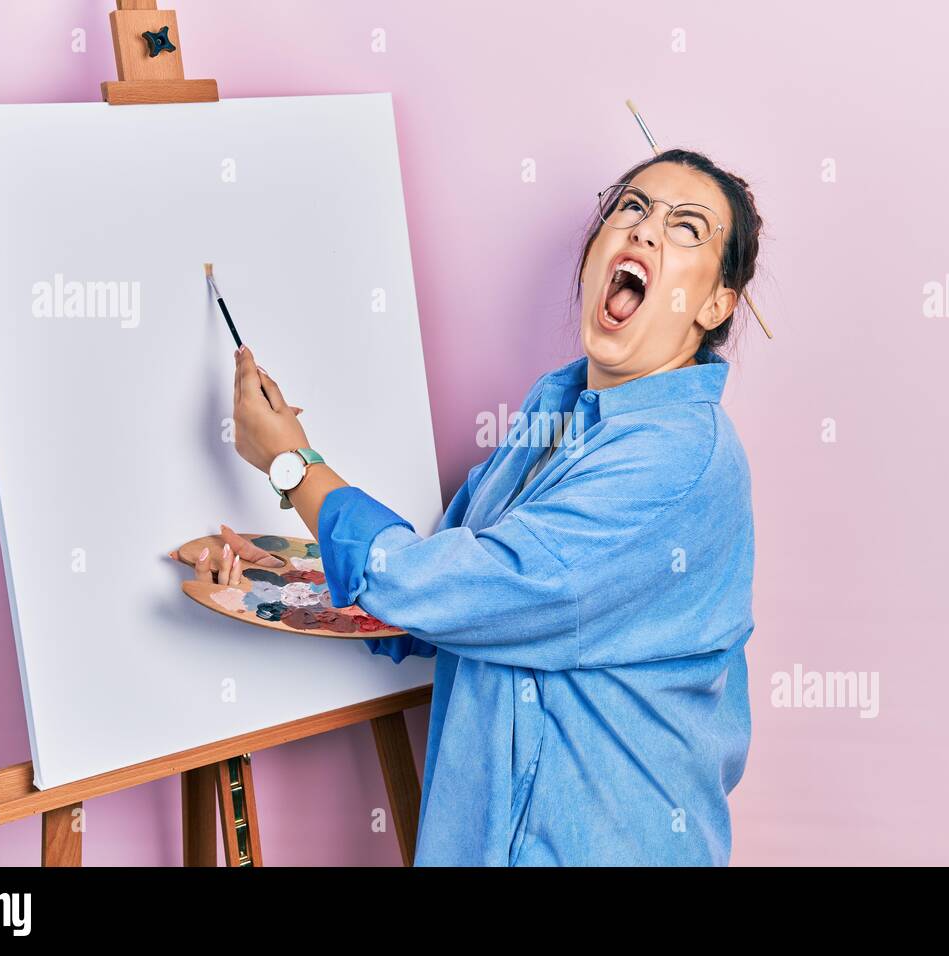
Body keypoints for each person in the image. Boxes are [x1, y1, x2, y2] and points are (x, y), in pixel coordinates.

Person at [176, 148, 764, 866]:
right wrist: (275, 578)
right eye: (632, 208)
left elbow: (468, 588)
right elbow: (436, 595)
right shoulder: (559, 411)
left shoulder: (679, 462)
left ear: (715, 304)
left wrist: (293, 464)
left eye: (685, 227)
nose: (643, 231)